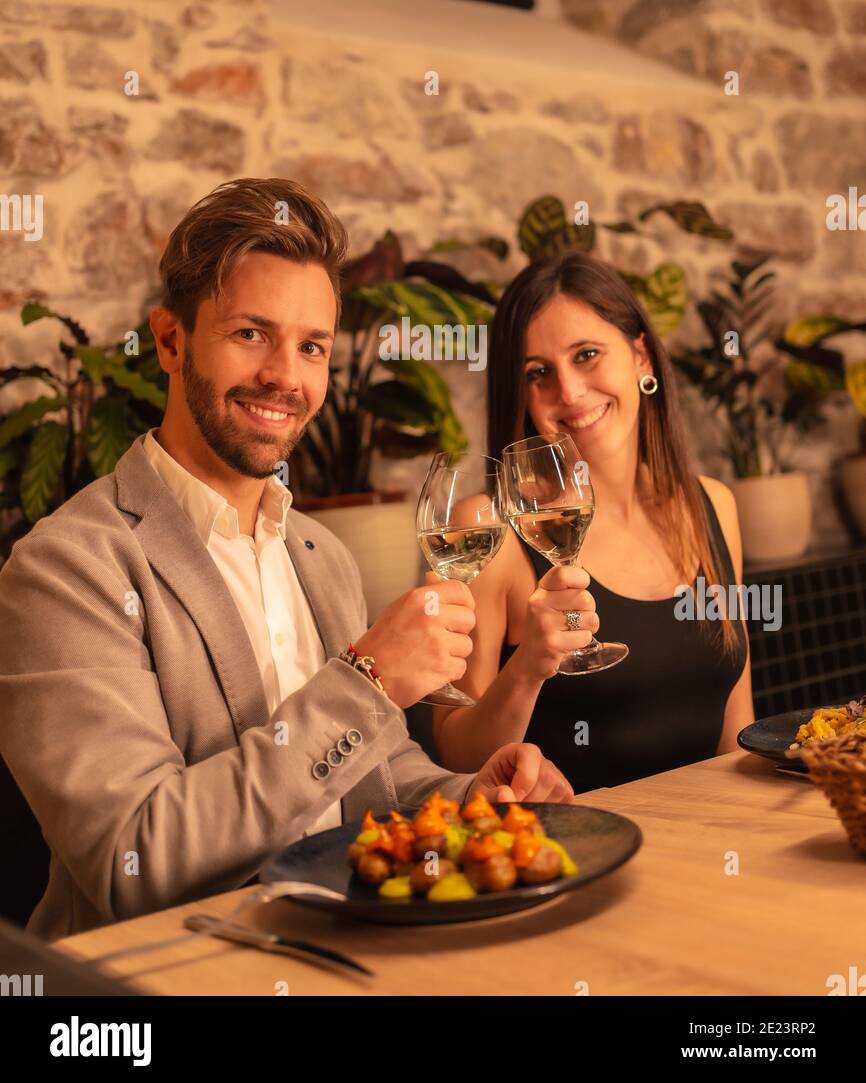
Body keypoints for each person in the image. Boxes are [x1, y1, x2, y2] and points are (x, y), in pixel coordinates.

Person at [0, 178, 572, 941]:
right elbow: (132, 859)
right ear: (170, 341)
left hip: (351, 953)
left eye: (310, 347)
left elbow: (370, 773)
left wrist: (471, 795)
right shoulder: (66, 570)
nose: (284, 376)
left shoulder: (322, 556)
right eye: (250, 334)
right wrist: (366, 680)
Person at [431, 251, 755, 790]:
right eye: (539, 373)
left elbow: (736, 728)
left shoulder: (713, 505)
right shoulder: (489, 527)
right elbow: (458, 759)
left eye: (586, 355)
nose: (571, 392)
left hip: (707, 850)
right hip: (573, 856)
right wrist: (532, 663)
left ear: (642, 359)